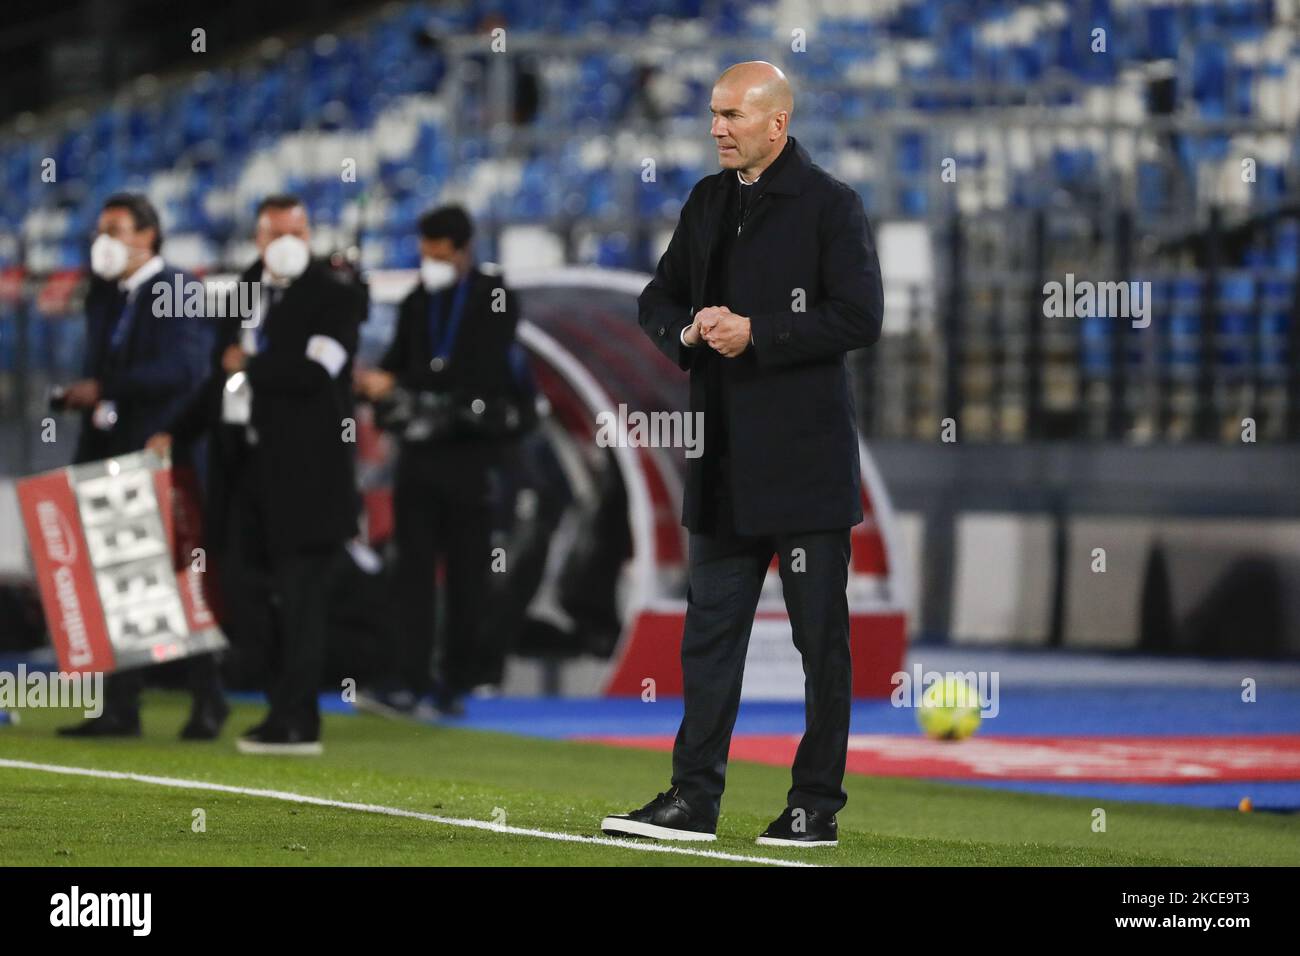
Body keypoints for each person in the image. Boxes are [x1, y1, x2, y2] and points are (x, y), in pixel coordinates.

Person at [600, 62, 884, 846]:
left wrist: (761, 332)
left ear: (776, 125)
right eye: (715, 115)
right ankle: (694, 800)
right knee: (709, 639)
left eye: (732, 114)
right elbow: (655, 301)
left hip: (804, 467)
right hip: (723, 461)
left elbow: (861, 317)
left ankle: (815, 806)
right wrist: (687, 332)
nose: (717, 127)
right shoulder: (705, 201)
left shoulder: (831, 206)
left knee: (818, 645)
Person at [149, 195, 365, 755]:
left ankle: (299, 721)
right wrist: (178, 431)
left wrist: (252, 365)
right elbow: (214, 380)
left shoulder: (336, 295)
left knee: (302, 601)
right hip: (243, 474)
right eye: (276, 232)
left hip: (308, 478)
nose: (288, 241)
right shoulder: (240, 293)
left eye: (298, 230)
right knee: (240, 595)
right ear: (258, 237)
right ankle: (279, 705)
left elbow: (318, 372)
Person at [56, 192, 225, 740]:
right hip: (107, 448)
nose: (103, 240)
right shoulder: (104, 296)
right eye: (100, 229)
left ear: (148, 235)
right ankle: (119, 706)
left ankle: (209, 698)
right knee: (117, 581)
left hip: (159, 450)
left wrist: (107, 389)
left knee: (176, 581)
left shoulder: (177, 289)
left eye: (115, 229)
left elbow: (186, 369)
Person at [354, 205, 524, 717]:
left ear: (462, 248)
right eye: (424, 250)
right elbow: (396, 365)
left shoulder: (493, 297)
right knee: (412, 572)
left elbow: (483, 378)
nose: (429, 260)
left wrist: (406, 386)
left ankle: (456, 681)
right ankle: (407, 679)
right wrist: (378, 384)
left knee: (470, 575)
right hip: (421, 456)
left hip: (472, 457)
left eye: (438, 251)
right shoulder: (415, 301)